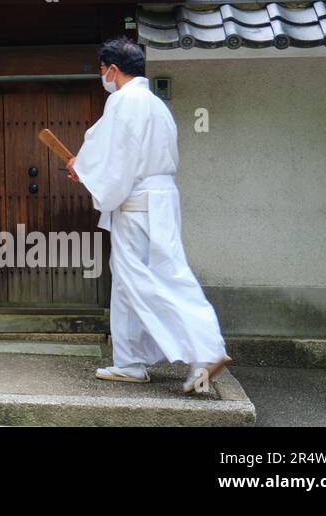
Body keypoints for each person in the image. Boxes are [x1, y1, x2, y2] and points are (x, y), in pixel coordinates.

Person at [67, 38, 231, 394]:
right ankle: (130, 362)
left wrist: (82, 168)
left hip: (137, 204)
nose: (102, 77)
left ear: (112, 69)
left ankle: (206, 352)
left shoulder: (123, 101)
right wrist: (88, 167)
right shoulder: (155, 105)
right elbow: (121, 153)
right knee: (135, 280)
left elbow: (113, 156)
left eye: (102, 70)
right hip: (159, 199)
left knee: (150, 281)